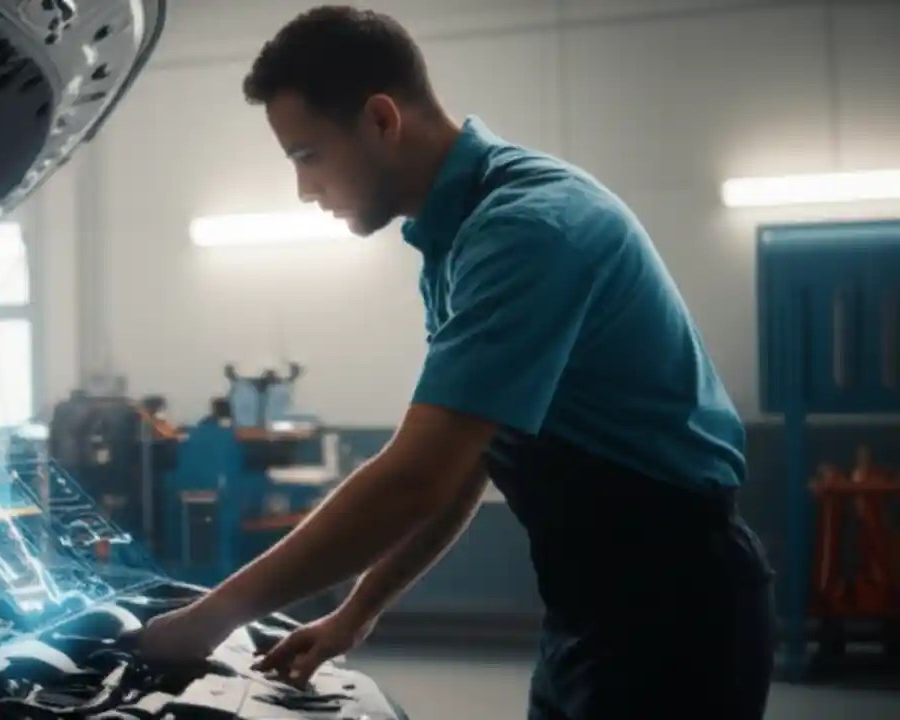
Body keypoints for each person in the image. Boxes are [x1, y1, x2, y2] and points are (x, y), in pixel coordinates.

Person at [137, 7, 775, 719]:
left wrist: (210, 619)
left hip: (676, 619)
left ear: (381, 120)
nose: (304, 190)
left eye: (307, 156)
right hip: (593, 613)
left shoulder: (528, 229)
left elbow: (416, 477)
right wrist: (357, 611)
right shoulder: (457, 241)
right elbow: (468, 459)